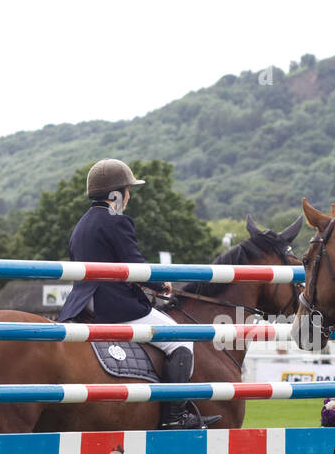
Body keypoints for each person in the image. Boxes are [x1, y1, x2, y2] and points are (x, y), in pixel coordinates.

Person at [57, 158, 216, 429]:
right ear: (116, 194)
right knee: (183, 339)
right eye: (127, 191)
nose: (129, 196)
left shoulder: (81, 224)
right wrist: (159, 284)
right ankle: (175, 417)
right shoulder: (117, 221)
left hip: (83, 304)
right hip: (114, 305)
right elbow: (135, 267)